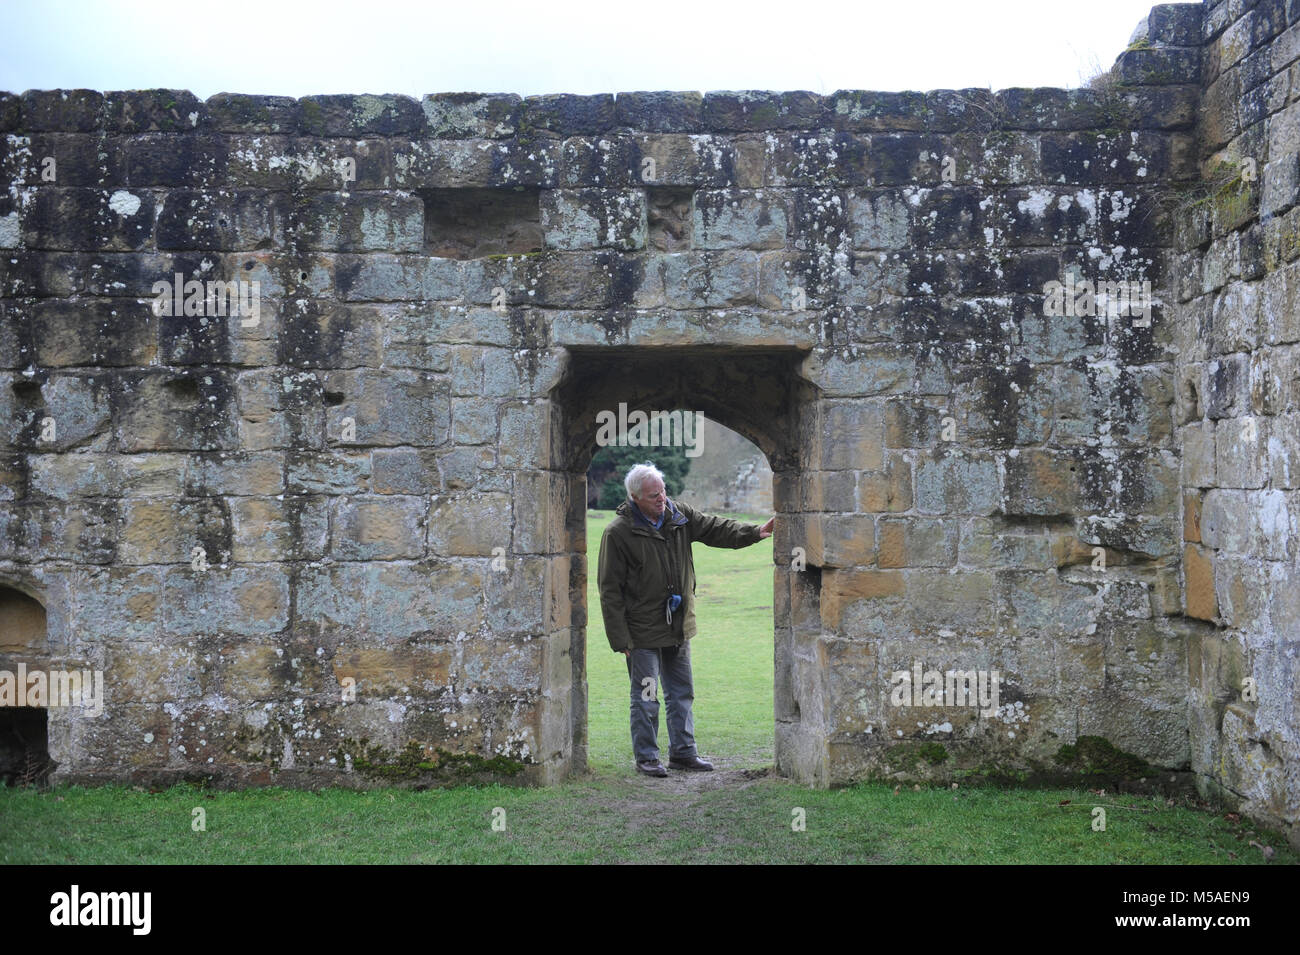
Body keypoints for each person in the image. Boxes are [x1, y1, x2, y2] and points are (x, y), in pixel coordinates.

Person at [597, 462, 774, 777]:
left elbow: (715, 528)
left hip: (677, 624)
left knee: (681, 692)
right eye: (653, 495)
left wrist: (756, 532)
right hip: (641, 633)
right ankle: (647, 757)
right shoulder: (617, 533)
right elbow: (610, 591)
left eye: (662, 491)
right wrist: (620, 640)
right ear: (635, 497)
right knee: (647, 696)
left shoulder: (679, 516)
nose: (661, 498)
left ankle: (683, 753)